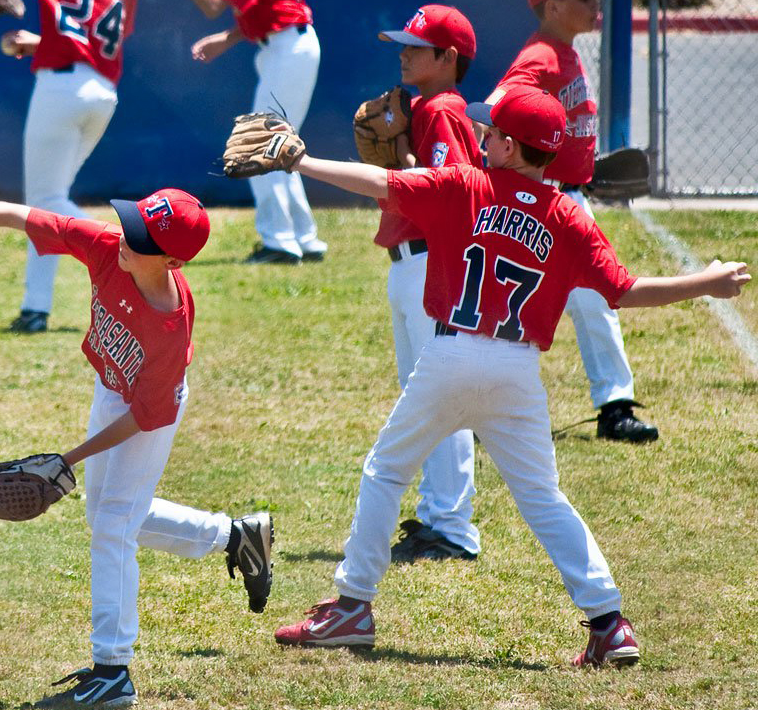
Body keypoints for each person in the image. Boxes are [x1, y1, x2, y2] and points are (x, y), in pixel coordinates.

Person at [266, 86, 749, 664]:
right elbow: (625, 291)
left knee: (387, 471)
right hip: (517, 371)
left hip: (450, 358)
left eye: (492, 133)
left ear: (512, 146)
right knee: (543, 498)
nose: (482, 137)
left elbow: (380, 183)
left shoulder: (465, 184)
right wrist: (708, 281)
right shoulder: (567, 214)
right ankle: (609, 622)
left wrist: (300, 161)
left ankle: (351, 605)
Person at [0, 189, 274, 707]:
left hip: (147, 410)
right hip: (113, 389)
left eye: (140, 240)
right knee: (107, 515)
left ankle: (112, 671)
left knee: (114, 526)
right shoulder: (107, 245)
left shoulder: (168, 326)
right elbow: (17, 214)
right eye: (132, 224)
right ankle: (236, 536)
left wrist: (68, 459)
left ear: (173, 261)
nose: (126, 239)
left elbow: (145, 417)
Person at [484, 0, 658, 442]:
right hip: (545, 204)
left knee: (597, 299)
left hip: (568, 198)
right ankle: (479, 413)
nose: (596, 6)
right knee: (510, 311)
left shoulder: (565, 50)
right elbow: (492, 111)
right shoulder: (538, 57)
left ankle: (615, 407)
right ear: (555, 5)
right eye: (585, 0)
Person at [369, 5, 483, 563]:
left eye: (416, 47)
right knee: (426, 394)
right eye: (404, 44)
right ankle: (441, 515)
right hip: (411, 262)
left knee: (440, 394)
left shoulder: (439, 110)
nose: (403, 53)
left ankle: (453, 527)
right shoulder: (431, 108)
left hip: (429, 263)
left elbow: (451, 188)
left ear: (447, 58)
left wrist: (402, 166)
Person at [0, 0, 138, 333]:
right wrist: (41, 44)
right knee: (48, 202)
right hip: (102, 93)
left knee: (46, 202)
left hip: (60, 90)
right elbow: (91, 37)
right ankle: (35, 308)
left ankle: (130, 248)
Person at [188, 0, 327, 264]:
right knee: (280, 146)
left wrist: (225, 38)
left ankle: (280, 243)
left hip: (288, 47)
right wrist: (226, 39)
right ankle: (303, 238)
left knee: (260, 145)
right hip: (285, 45)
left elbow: (213, 7)